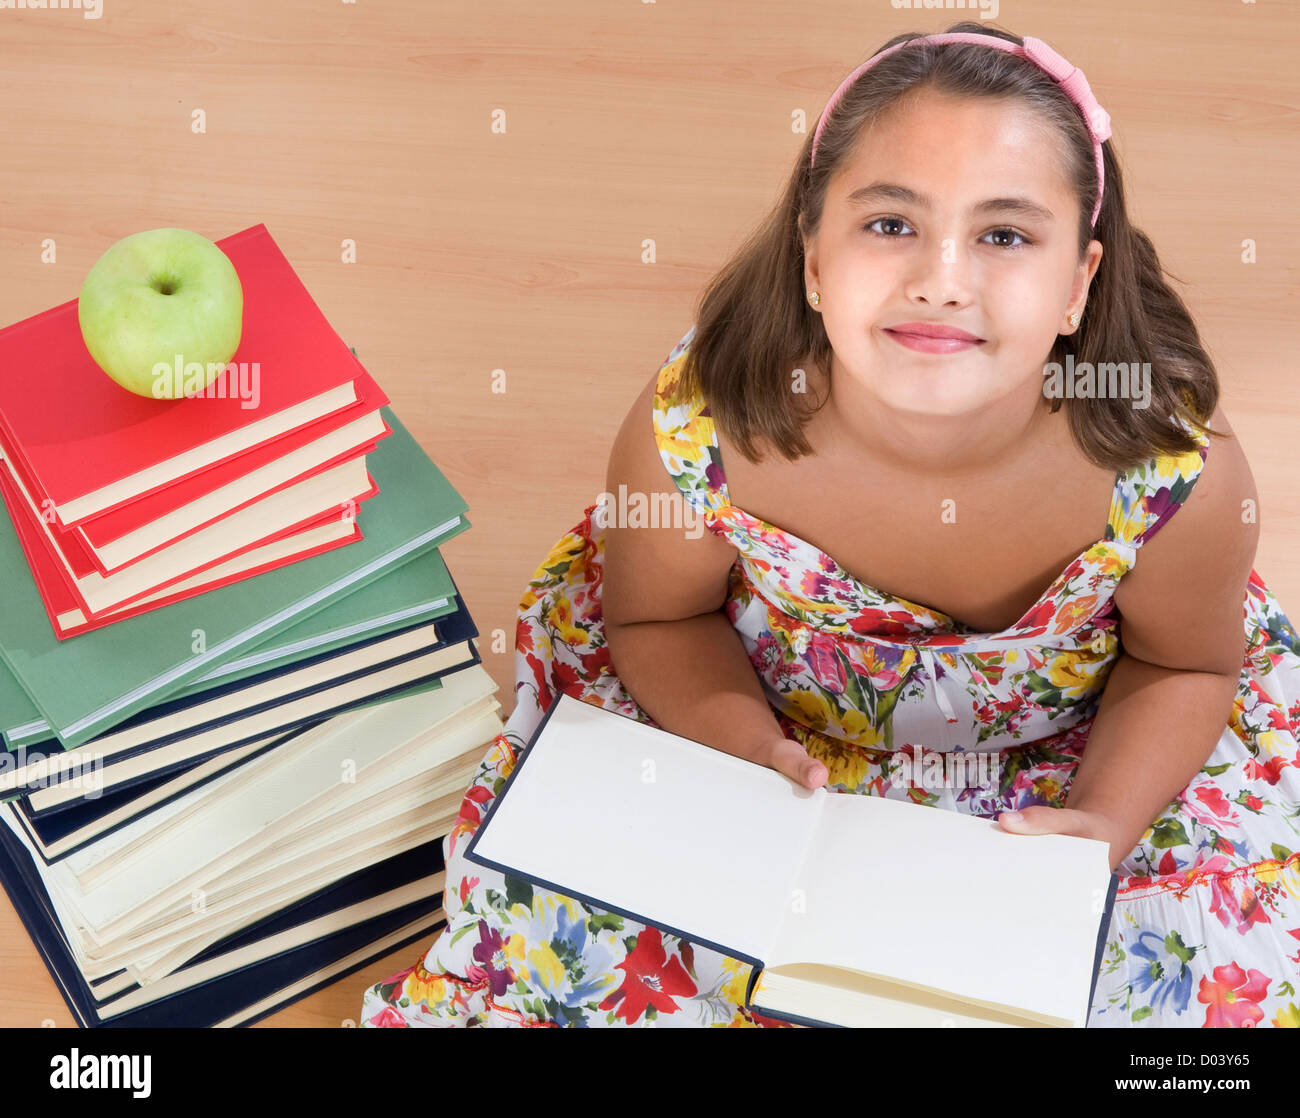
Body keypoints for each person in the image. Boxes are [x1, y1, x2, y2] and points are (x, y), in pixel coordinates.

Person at [361, 22, 1300, 1028]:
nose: (941, 277)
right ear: (812, 256)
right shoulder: (702, 429)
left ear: (1078, 282)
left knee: (1183, 994)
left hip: (1069, 769)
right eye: (891, 223)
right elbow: (658, 624)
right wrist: (745, 749)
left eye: (1005, 234)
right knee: (564, 953)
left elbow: (1186, 668)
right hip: (756, 739)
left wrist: (1100, 829)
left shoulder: (1170, 477)